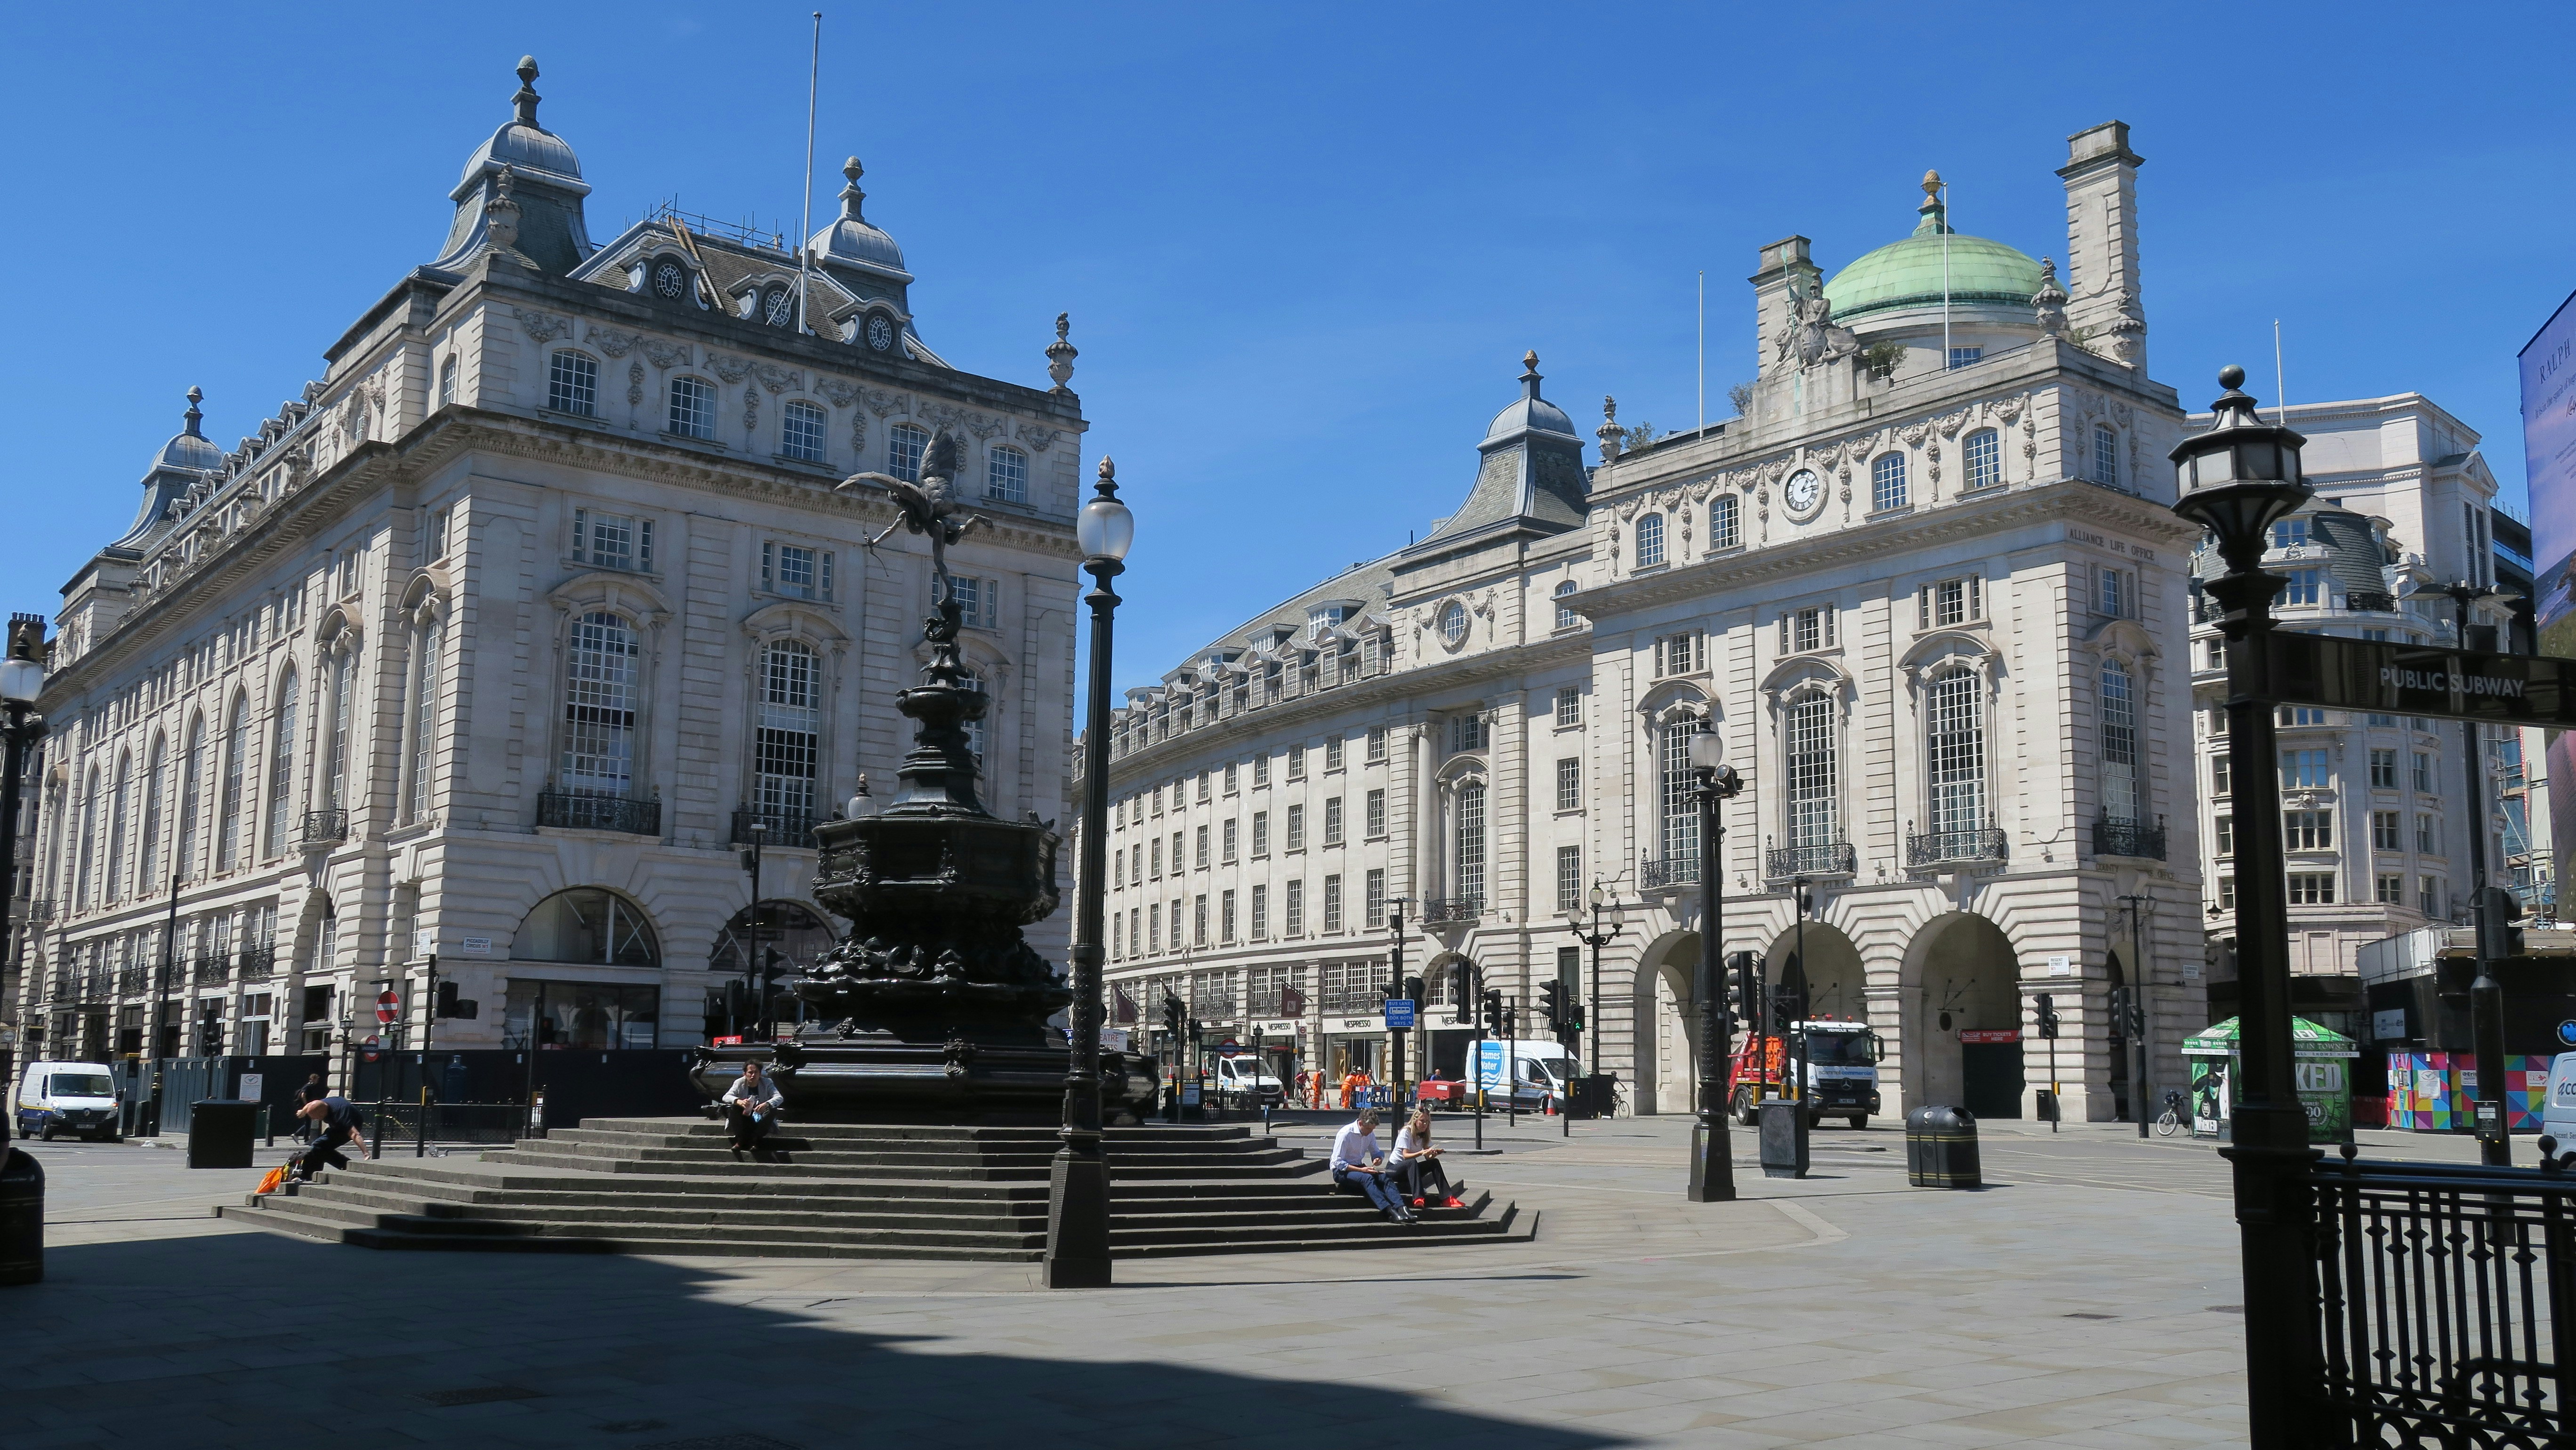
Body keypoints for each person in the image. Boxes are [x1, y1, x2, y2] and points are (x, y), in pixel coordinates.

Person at [1329, 1109, 1412, 1224]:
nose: (1370, 1132)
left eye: (1372, 1129)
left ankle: (1401, 1207)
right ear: (1361, 1123)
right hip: (1341, 1171)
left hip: (1359, 1166)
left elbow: (1377, 1152)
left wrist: (1378, 1159)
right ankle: (1388, 1211)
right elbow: (1338, 1162)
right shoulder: (1346, 1134)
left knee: (1385, 1177)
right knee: (1367, 1178)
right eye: (1368, 1129)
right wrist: (1361, 1170)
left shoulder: (1370, 1133)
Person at [1392, 1108, 1464, 1210]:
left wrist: (1433, 1154)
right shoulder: (1406, 1132)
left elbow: (1428, 1157)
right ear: (1415, 1120)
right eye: (1422, 1121)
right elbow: (1405, 1155)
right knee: (1412, 1162)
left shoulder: (1425, 1134)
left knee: (1434, 1163)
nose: (1425, 1124)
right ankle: (1418, 1199)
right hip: (1395, 1170)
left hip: (1410, 1170)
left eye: (1427, 1122)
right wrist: (1421, 1153)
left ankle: (1447, 1198)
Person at [290, 1095, 370, 1180]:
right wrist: (303, 1111)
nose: (317, 1120)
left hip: (348, 1128)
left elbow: (355, 1135)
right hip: (335, 1126)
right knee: (320, 1148)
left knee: (318, 1145)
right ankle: (311, 1174)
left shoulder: (341, 1117)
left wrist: (366, 1154)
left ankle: (345, 1165)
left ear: (322, 1113)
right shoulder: (321, 1104)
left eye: (317, 1118)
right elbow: (311, 1104)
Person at [722, 1062, 786, 1159]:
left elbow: (779, 1097)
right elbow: (727, 1097)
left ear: (760, 1074)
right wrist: (739, 1101)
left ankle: (755, 1140)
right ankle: (741, 1140)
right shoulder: (739, 1082)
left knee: (772, 1109)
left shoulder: (767, 1082)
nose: (753, 1075)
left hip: (759, 1116)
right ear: (745, 1074)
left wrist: (766, 1104)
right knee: (732, 1108)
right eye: (750, 1072)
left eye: (756, 1073)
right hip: (744, 1116)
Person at [290, 1073, 327, 1144]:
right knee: (308, 1122)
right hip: (306, 1106)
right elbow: (303, 1095)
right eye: (317, 1079)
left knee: (308, 1122)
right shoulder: (308, 1086)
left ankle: (301, 1136)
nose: (318, 1081)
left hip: (306, 1106)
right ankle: (303, 1137)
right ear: (313, 1079)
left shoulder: (309, 1086)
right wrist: (307, 1105)